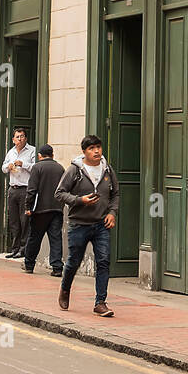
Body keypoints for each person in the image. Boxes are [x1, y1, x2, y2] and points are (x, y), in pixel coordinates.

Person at [55, 135, 120, 317]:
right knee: (73, 262)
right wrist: (79, 200)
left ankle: (100, 302)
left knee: (104, 262)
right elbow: (59, 193)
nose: (97, 151)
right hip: (79, 224)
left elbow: (116, 194)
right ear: (84, 152)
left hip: (101, 224)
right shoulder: (75, 171)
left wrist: (112, 213)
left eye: (98, 147)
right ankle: (65, 288)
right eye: (92, 149)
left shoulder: (107, 170)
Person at [21, 144, 65, 276]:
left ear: (39, 155)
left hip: (40, 209)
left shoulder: (37, 167)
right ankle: (57, 267)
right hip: (57, 208)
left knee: (35, 237)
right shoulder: (60, 168)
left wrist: (28, 207)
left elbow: (32, 190)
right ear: (52, 155)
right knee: (56, 238)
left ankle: (29, 264)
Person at [0, 127, 37, 258]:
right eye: (17, 137)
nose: (19, 139)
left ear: (25, 138)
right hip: (12, 189)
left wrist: (23, 164)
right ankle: (14, 248)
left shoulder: (32, 150)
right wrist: (8, 167)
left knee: (25, 220)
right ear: (13, 139)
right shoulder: (11, 152)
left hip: (25, 189)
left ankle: (24, 248)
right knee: (14, 220)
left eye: (22, 136)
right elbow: (3, 167)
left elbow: (36, 168)